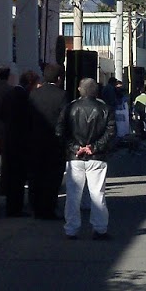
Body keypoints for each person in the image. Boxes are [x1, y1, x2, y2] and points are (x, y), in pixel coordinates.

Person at [59, 78, 115, 239]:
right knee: (97, 193)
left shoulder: (70, 108)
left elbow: (60, 131)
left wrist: (75, 147)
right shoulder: (105, 109)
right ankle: (99, 228)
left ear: (79, 90)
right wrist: (94, 147)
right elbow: (110, 133)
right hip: (96, 157)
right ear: (96, 91)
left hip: (75, 157)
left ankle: (71, 229)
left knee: (73, 194)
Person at [28, 68, 70, 220]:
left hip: (34, 141)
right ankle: (48, 208)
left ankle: (35, 206)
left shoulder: (33, 94)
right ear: (59, 78)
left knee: (35, 175)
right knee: (52, 177)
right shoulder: (62, 95)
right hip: (54, 142)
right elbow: (65, 120)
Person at [0, 70, 37, 216]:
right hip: (20, 142)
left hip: (9, 139)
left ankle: (11, 207)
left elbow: (0, 114)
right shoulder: (23, 97)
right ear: (30, 84)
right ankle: (16, 209)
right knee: (18, 178)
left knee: (10, 175)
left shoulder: (9, 94)